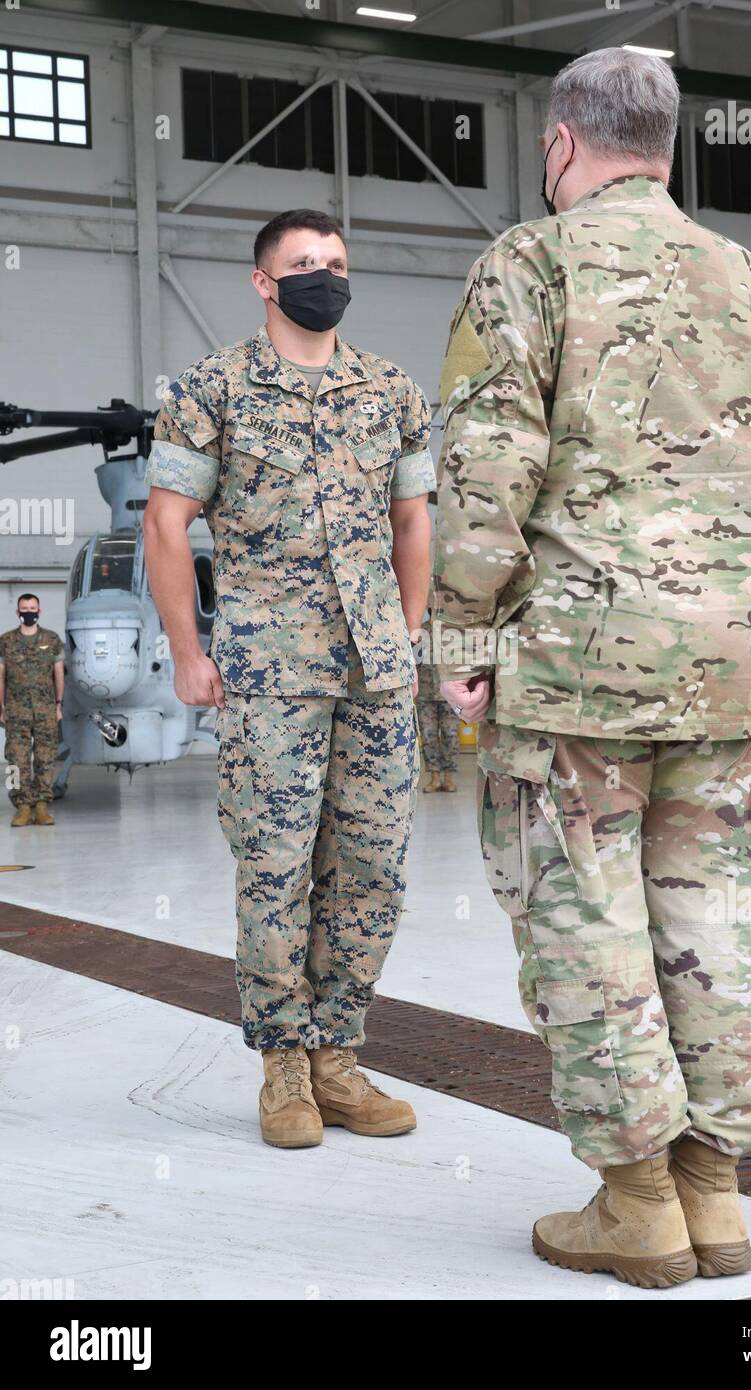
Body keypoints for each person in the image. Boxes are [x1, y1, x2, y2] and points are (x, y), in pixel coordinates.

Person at [433, 49, 751, 1287]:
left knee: (587, 924)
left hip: (574, 677)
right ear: (665, 149)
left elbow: (485, 469)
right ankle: (716, 1193)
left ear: (562, 145)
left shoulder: (529, 262)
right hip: (729, 678)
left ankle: (635, 1203)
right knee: (710, 924)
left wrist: (460, 641)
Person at [144, 209, 434, 1149]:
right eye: (305, 264)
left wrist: (409, 632)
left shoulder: (392, 390)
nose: (325, 276)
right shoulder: (213, 389)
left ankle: (339, 1060)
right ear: (265, 283)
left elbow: (414, 525)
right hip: (270, 669)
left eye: (337, 263)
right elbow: (165, 524)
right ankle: (282, 1070)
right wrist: (191, 651)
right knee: (275, 869)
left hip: (375, 673)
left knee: (372, 872)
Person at [0, 593, 64, 827]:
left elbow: (58, 673)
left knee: (45, 759)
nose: (29, 611)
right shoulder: (5, 641)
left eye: (33, 607)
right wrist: (1, 708)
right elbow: (0, 676)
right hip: (16, 712)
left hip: (46, 709)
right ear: (18, 613)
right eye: (25, 608)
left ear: (40, 610)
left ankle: (41, 805)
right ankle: (22, 807)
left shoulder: (51, 639)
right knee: (16, 761)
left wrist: (59, 704)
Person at [416, 597, 460, 792]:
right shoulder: (419, 633)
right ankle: (434, 778)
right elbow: (413, 662)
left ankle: (449, 778)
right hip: (425, 694)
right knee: (428, 736)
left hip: (449, 695)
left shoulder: (453, 634)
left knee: (451, 735)